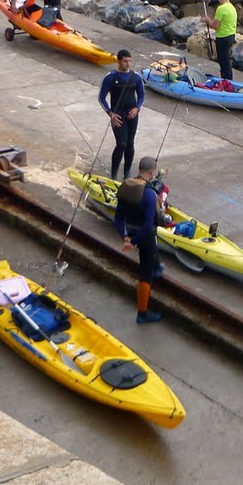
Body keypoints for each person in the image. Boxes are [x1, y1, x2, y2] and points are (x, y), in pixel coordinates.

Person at [114, 156, 165, 323]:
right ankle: (142, 314)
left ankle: (157, 267)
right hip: (146, 237)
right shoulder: (150, 194)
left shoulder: (126, 186)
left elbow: (118, 217)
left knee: (152, 263)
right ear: (152, 172)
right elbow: (149, 223)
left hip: (130, 231)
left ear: (139, 169)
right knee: (145, 274)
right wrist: (135, 242)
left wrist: (126, 237)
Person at [98, 49, 145, 180]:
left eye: (130, 61)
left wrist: (137, 108)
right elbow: (101, 98)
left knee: (130, 143)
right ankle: (114, 173)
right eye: (125, 61)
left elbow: (141, 95)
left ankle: (127, 172)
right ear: (119, 61)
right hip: (118, 116)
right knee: (121, 143)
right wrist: (110, 113)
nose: (128, 64)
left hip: (132, 114)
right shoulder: (110, 77)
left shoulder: (135, 77)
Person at [210, 0, 238, 83]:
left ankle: (227, 82)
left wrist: (207, 21)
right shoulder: (232, 8)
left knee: (223, 62)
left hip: (222, 38)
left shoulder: (221, 8)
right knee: (226, 60)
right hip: (231, 36)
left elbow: (215, 26)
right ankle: (227, 80)